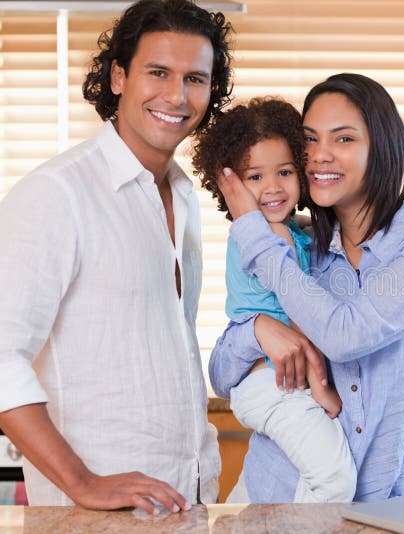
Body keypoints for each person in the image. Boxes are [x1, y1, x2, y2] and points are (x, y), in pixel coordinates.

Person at [0, 0, 233, 513]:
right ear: (119, 76)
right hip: (92, 514)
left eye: (196, 78)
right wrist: (83, 483)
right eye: (158, 72)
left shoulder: (185, 195)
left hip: (187, 498)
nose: (177, 95)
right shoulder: (56, 194)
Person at [209, 73, 404, 502]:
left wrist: (252, 230)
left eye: (345, 139)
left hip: (392, 508)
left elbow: (347, 335)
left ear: (383, 148)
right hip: (272, 499)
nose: (320, 156)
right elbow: (222, 374)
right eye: (310, 140)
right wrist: (259, 329)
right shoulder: (298, 246)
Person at [192, 97, 356, 503]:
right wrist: (321, 391)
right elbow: (302, 320)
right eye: (254, 177)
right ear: (230, 187)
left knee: (282, 483)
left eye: (284, 171)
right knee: (333, 479)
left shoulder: (285, 231)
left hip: (263, 381)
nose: (272, 187)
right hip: (273, 382)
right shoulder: (272, 238)